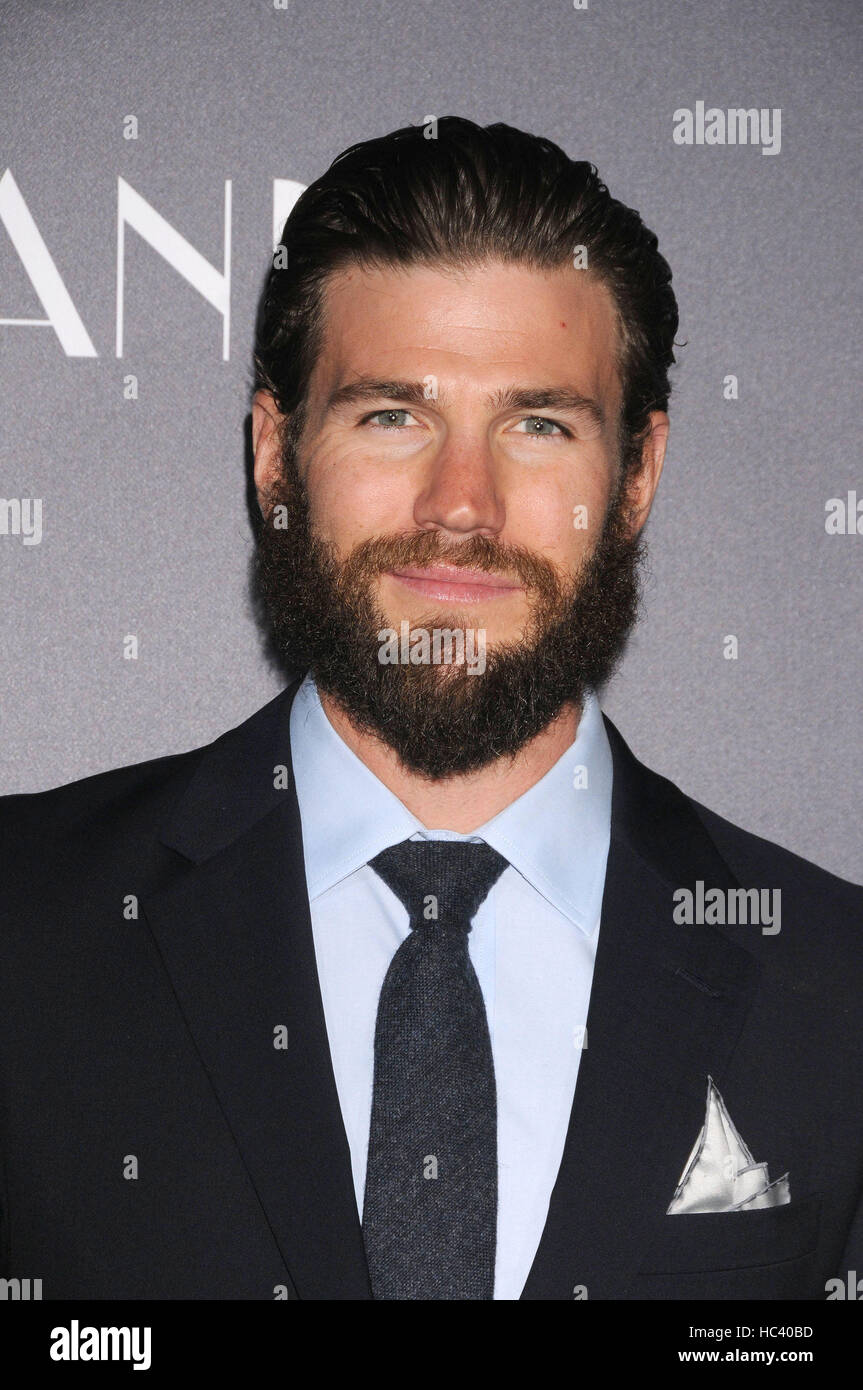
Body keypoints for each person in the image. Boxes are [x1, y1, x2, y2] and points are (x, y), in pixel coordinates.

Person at [1, 117, 860, 1301]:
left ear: (638, 476)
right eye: (391, 415)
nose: (462, 505)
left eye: (538, 423)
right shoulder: (24, 926)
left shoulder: (832, 986)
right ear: (272, 455)